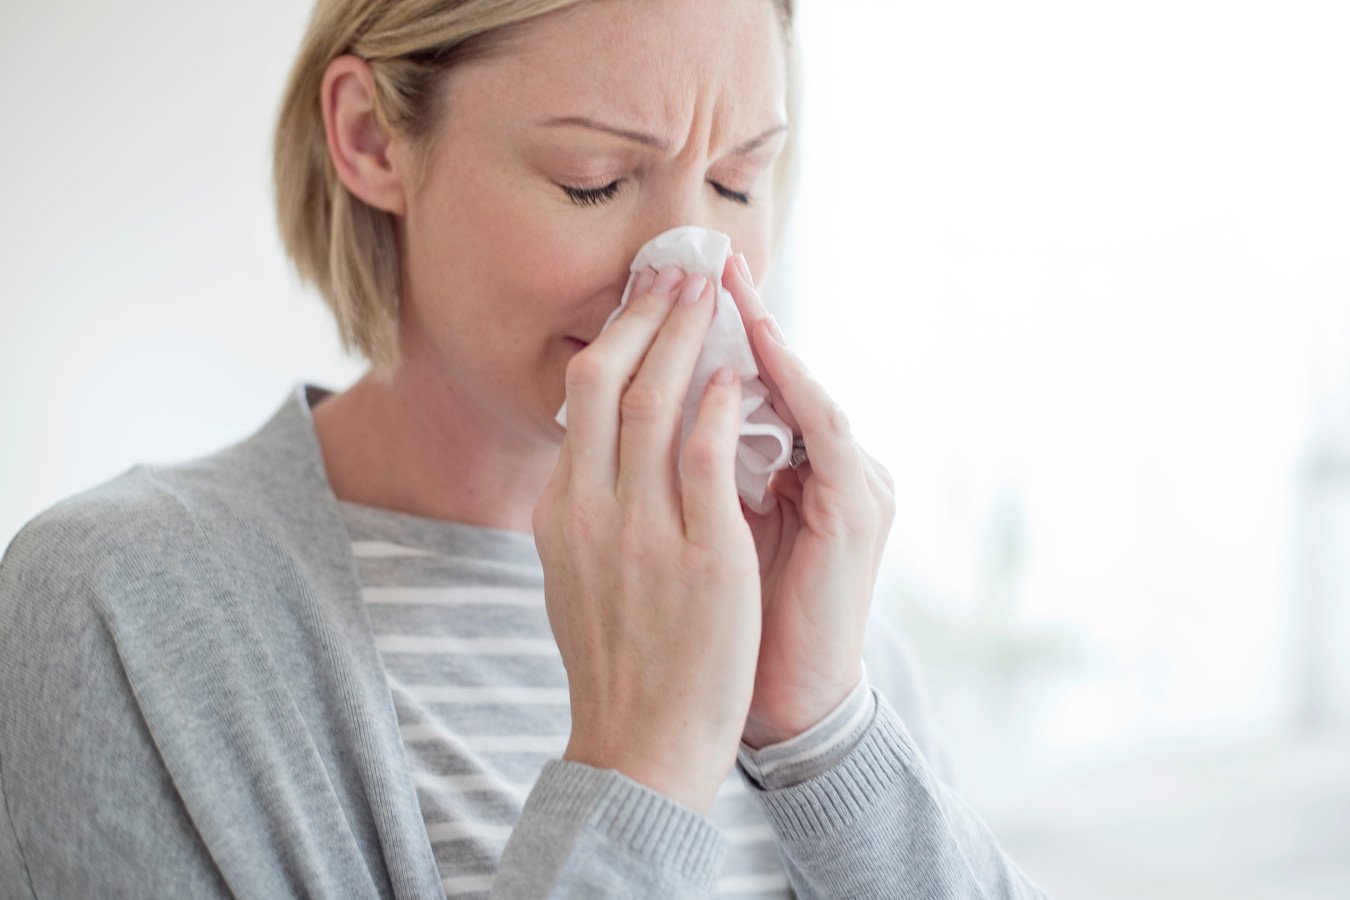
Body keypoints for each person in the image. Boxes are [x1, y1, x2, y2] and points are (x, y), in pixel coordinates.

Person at [0, 0, 1047, 897]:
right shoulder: (123, 607)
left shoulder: (808, 598)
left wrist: (825, 734)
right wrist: (641, 764)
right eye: (592, 180)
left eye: (736, 182)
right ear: (371, 138)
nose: (690, 274)